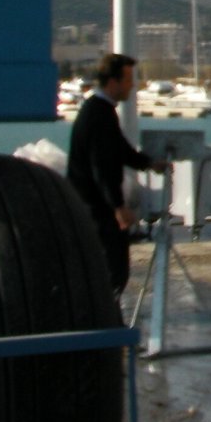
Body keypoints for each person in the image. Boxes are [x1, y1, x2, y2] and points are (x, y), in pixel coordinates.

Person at [68, 52, 163, 295]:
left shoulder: (100, 110)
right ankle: (106, 320)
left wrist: (149, 163)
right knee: (112, 269)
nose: (132, 87)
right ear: (113, 82)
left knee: (112, 267)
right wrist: (118, 207)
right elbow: (103, 165)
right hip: (96, 208)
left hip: (92, 205)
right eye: (128, 80)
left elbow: (120, 150)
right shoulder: (99, 114)